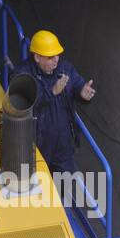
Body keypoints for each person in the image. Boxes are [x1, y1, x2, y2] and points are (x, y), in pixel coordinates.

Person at [16, 29, 96, 181]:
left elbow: (77, 84)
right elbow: (23, 105)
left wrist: (83, 93)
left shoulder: (65, 68)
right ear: (37, 57)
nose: (56, 60)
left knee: (66, 187)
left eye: (57, 54)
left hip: (63, 146)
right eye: (50, 56)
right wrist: (51, 92)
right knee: (38, 188)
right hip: (35, 148)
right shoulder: (22, 75)